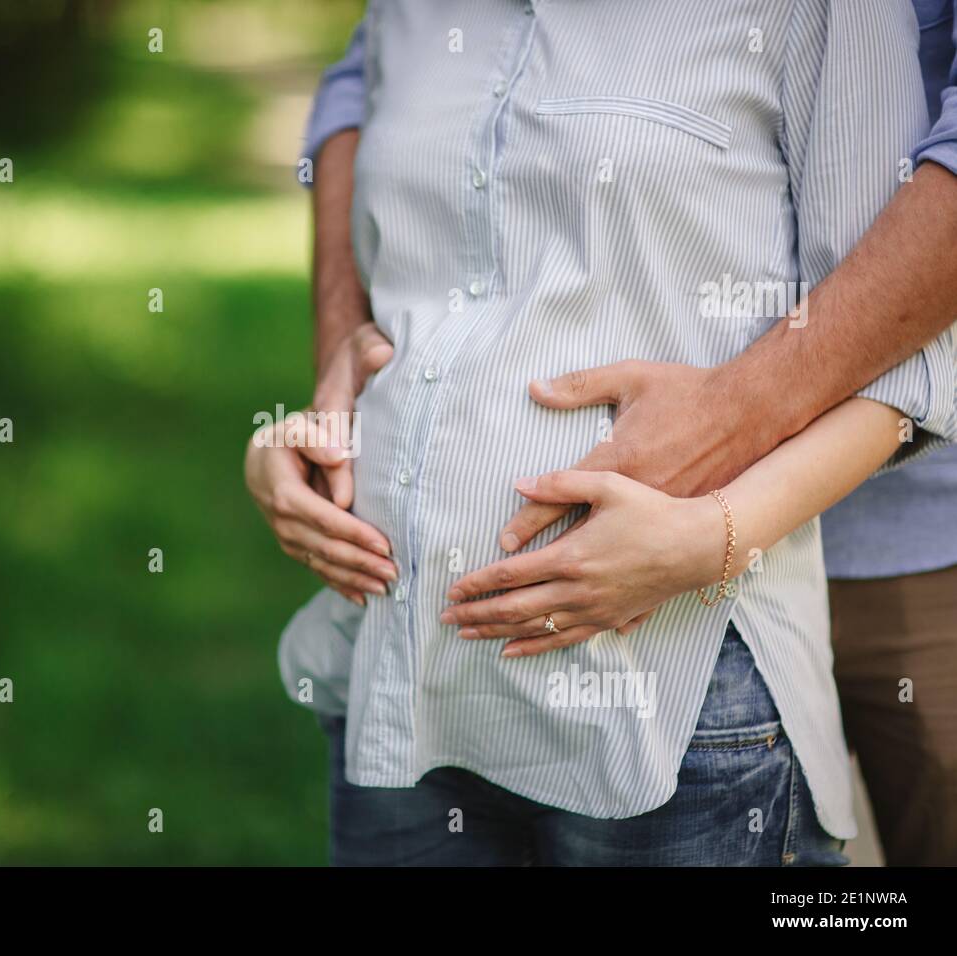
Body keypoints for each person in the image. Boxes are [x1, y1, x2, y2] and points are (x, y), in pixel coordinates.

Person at [246, 0, 957, 865]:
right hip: (406, 679)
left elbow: (909, 356)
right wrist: (328, 425)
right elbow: (413, 266)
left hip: (679, 698)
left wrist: (714, 535)